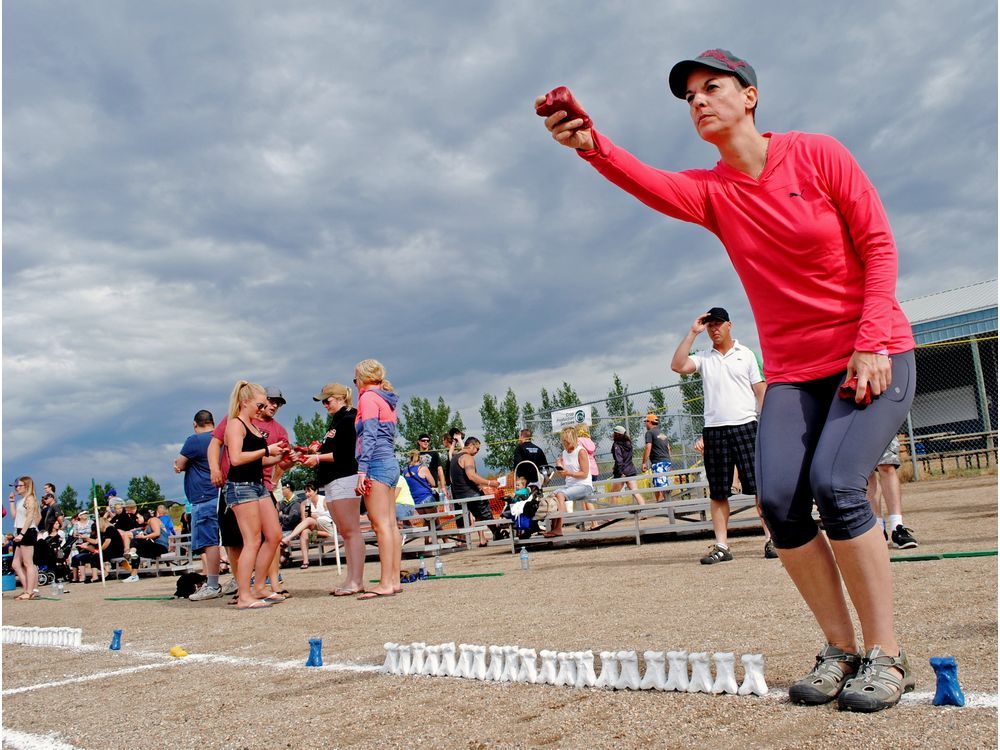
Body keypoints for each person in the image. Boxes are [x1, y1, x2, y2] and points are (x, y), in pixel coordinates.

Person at [539, 48, 916, 711]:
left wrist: (871, 341)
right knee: (777, 502)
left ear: (750, 96)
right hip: (797, 373)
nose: (698, 101)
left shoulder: (817, 154)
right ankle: (842, 649)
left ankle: (886, 654)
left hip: (874, 352)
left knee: (837, 484)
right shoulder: (714, 193)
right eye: (688, 97)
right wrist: (589, 143)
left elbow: (879, 246)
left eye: (711, 87)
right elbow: (647, 181)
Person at [671, 307, 774, 563]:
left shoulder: (747, 354)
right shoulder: (703, 357)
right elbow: (677, 365)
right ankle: (722, 545)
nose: (714, 329)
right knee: (718, 492)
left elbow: (761, 392)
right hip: (715, 430)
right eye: (709, 326)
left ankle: (772, 539)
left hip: (746, 425)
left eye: (718, 324)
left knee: (760, 488)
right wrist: (692, 333)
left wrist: (769, 427)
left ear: (730, 325)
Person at [223, 380, 289, 609]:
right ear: (245, 402)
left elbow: (260, 460)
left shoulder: (252, 424)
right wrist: (267, 449)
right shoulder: (235, 424)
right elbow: (236, 458)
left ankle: (259, 586)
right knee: (252, 540)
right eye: (260, 405)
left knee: (274, 535)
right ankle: (244, 595)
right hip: (240, 486)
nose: (263, 409)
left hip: (258, 484)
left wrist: (280, 457)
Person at [301, 382, 363, 596]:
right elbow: (335, 449)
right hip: (335, 479)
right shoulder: (338, 420)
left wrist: (317, 457)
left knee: (351, 531)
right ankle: (351, 579)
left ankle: (356, 580)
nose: (325, 405)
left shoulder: (349, 418)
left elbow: (345, 454)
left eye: (327, 401)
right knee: (346, 532)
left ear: (340, 398)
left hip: (345, 477)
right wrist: (318, 450)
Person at [353, 360, 403, 599]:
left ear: (362, 377)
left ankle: (385, 582)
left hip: (376, 464)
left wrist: (362, 471)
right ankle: (393, 580)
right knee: (390, 524)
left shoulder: (368, 399)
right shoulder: (385, 398)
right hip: (390, 462)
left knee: (380, 524)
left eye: (355, 378)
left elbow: (370, 435)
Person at [175, 409, 225, 601]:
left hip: (204, 497)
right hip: (221, 495)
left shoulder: (195, 440)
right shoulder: (221, 438)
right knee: (227, 540)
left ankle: (212, 584)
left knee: (209, 543)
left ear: (195, 424)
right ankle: (237, 579)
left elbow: (180, 464)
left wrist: (178, 465)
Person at [866, 436, 917, 549]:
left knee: (887, 466)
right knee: (866, 472)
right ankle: (878, 529)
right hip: (850, 423)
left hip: (878, 422)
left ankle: (897, 527)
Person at [449, 437, 501, 547]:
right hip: (471, 494)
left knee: (478, 517)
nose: (477, 452)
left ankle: (482, 539)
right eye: (477, 449)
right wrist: (490, 483)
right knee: (486, 515)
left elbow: (455, 479)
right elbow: (471, 476)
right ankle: (498, 533)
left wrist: (479, 486)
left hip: (459, 495)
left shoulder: (454, 458)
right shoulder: (467, 457)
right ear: (471, 445)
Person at [543, 427, 594, 537]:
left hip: (584, 485)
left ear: (573, 439)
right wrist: (560, 467)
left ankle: (559, 528)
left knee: (560, 494)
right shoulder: (564, 453)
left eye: (567, 442)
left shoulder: (581, 452)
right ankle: (553, 527)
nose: (565, 445)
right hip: (570, 486)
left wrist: (568, 473)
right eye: (563, 442)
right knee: (552, 495)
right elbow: (565, 473)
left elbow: (584, 473)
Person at [8, 476, 40, 599]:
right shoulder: (20, 501)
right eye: (16, 486)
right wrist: (11, 502)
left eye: (19, 485)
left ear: (26, 486)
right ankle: (27, 588)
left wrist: (22, 534)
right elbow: (15, 516)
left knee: (28, 563)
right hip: (19, 531)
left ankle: (30, 591)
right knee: (16, 563)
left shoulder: (30, 499)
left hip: (26, 532)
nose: (17, 488)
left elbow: (30, 517)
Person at [402, 449, 437, 544]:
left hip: (416, 500)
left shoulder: (405, 471)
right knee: (434, 521)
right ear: (420, 457)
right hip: (427, 497)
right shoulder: (423, 468)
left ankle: (428, 541)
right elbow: (433, 483)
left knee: (427, 521)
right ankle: (443, 541)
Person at [641, 414, 672, 501]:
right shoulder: (662, 434)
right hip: (666, 462)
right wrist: (669, 462)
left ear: (650, 422)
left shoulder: (649, 433)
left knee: (661, 486)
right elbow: (668, 448)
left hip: (658, 462)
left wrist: (644, 462)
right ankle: (661, 504)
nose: (645, 424)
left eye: (646, 422)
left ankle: (667, 507)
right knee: (658, 484)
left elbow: (648, 447)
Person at [610, 426, 645, 505]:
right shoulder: (628, 443)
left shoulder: (616, 445)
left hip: (621, 472)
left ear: (617, 434)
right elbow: (627, 458)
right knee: (635, 492)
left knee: (614, 494)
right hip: (630, 470)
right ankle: (644, 511)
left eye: (614, 433)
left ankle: (613, 515)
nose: (613, 434)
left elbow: (619, 460)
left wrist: (620, 472)